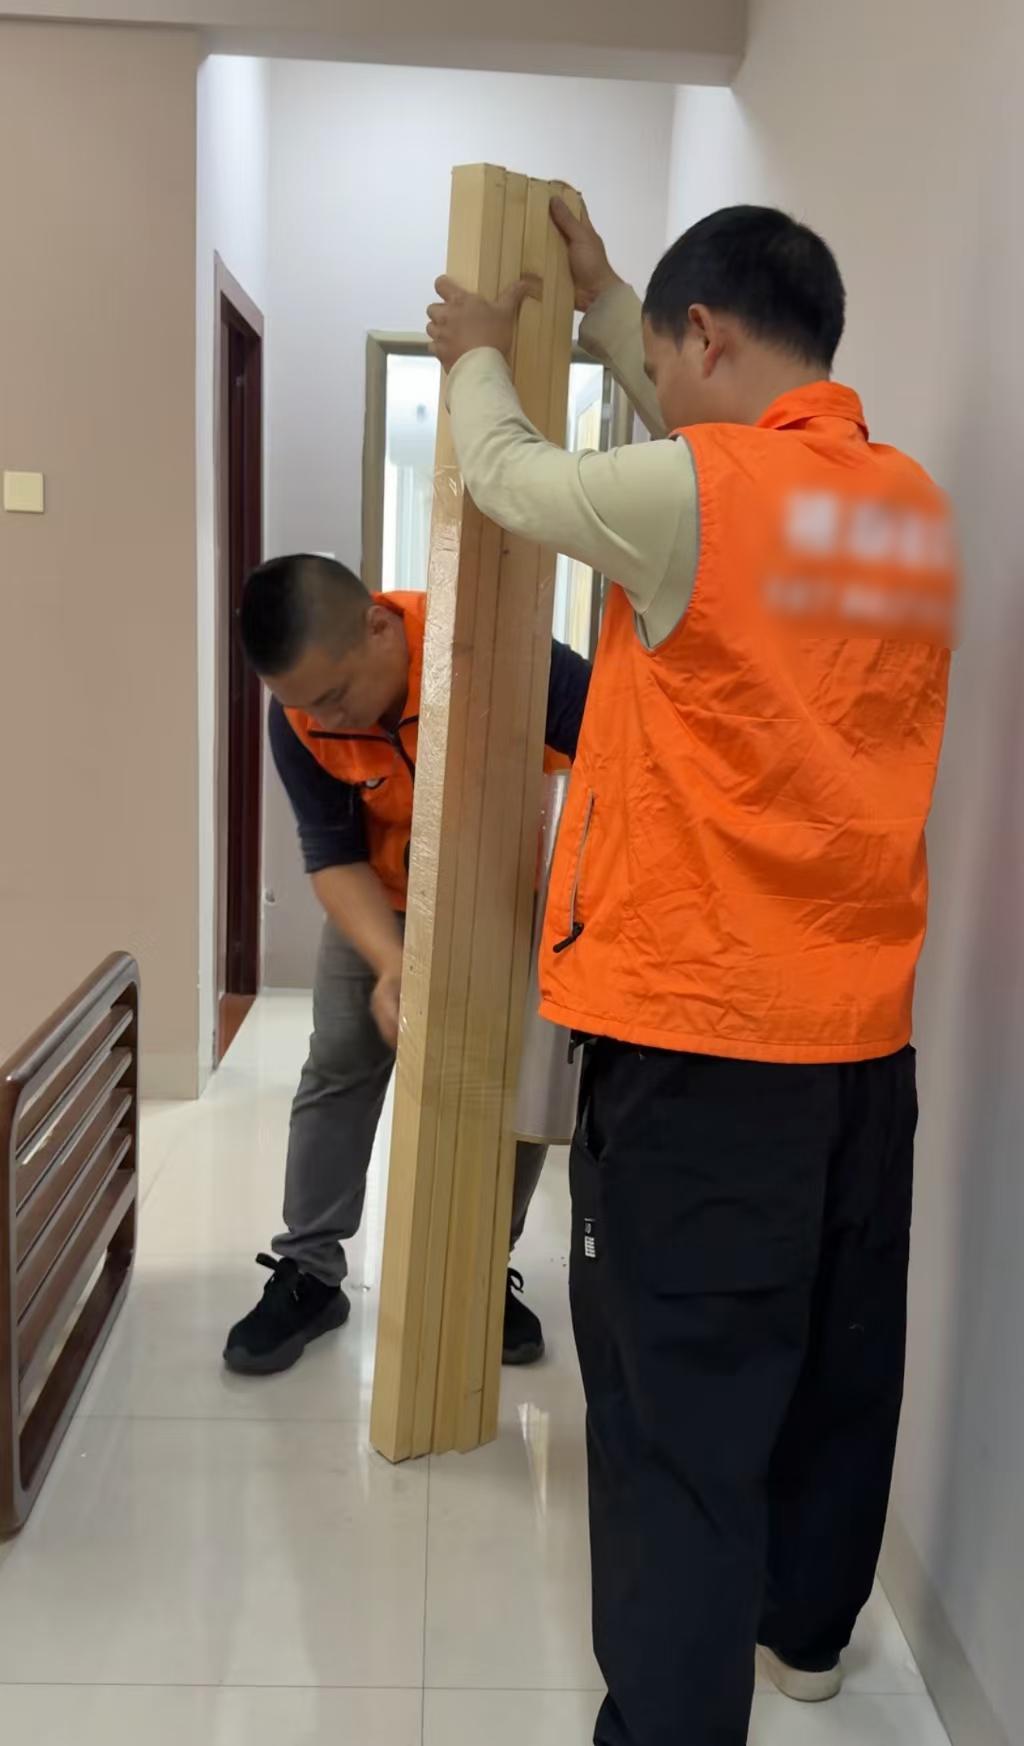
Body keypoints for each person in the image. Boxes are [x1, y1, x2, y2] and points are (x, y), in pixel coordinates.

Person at [427, 202, 955, 1746]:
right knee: (837, 1361)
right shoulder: (905, 511)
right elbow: (722, 479)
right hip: (862, 1041)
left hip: (704, 1048)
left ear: (709, 336)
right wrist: (610, 301)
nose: (657, 386)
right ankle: (807, 1638)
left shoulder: (701, 496)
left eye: (661, 358)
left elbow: (508, 474)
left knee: (677, 1412)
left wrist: (475, 356)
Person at [224, 559, 591, 1377]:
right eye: (305, 705)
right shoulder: (300, 720)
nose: (325, 718)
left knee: (509, 1083)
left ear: (378, 626)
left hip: (514, 901)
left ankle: (481, 1269)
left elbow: (627, 763)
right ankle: (310, 1273)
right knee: (339, 1064)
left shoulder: (506, 656)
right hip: (384, 897)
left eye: (334, 695)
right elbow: (331, 853)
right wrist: (390, 965)